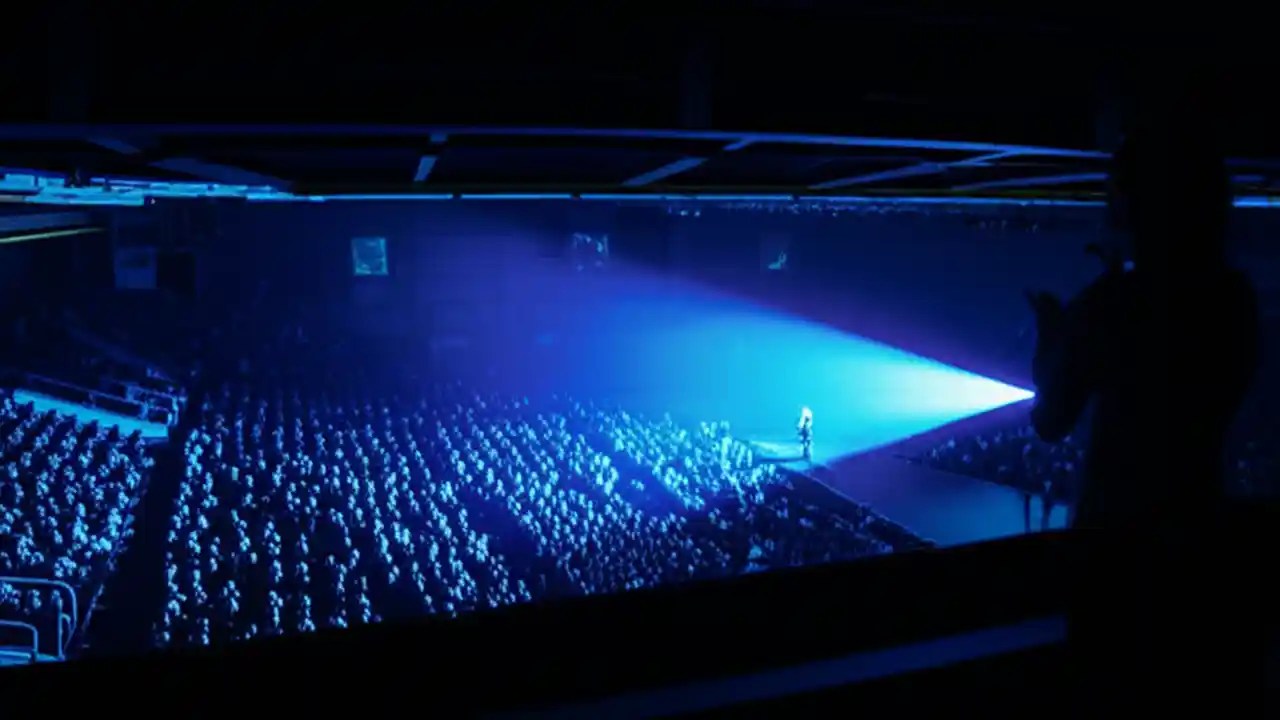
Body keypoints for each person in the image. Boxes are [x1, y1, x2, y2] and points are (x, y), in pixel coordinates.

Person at [1027, 78, 1261, 712]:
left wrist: (1053, 332)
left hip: (1117, 561)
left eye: (1114, 194)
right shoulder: (1236, 298)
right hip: (1204, 550)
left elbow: (1049, 419)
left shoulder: (1111, 307)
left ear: (1131, 205)